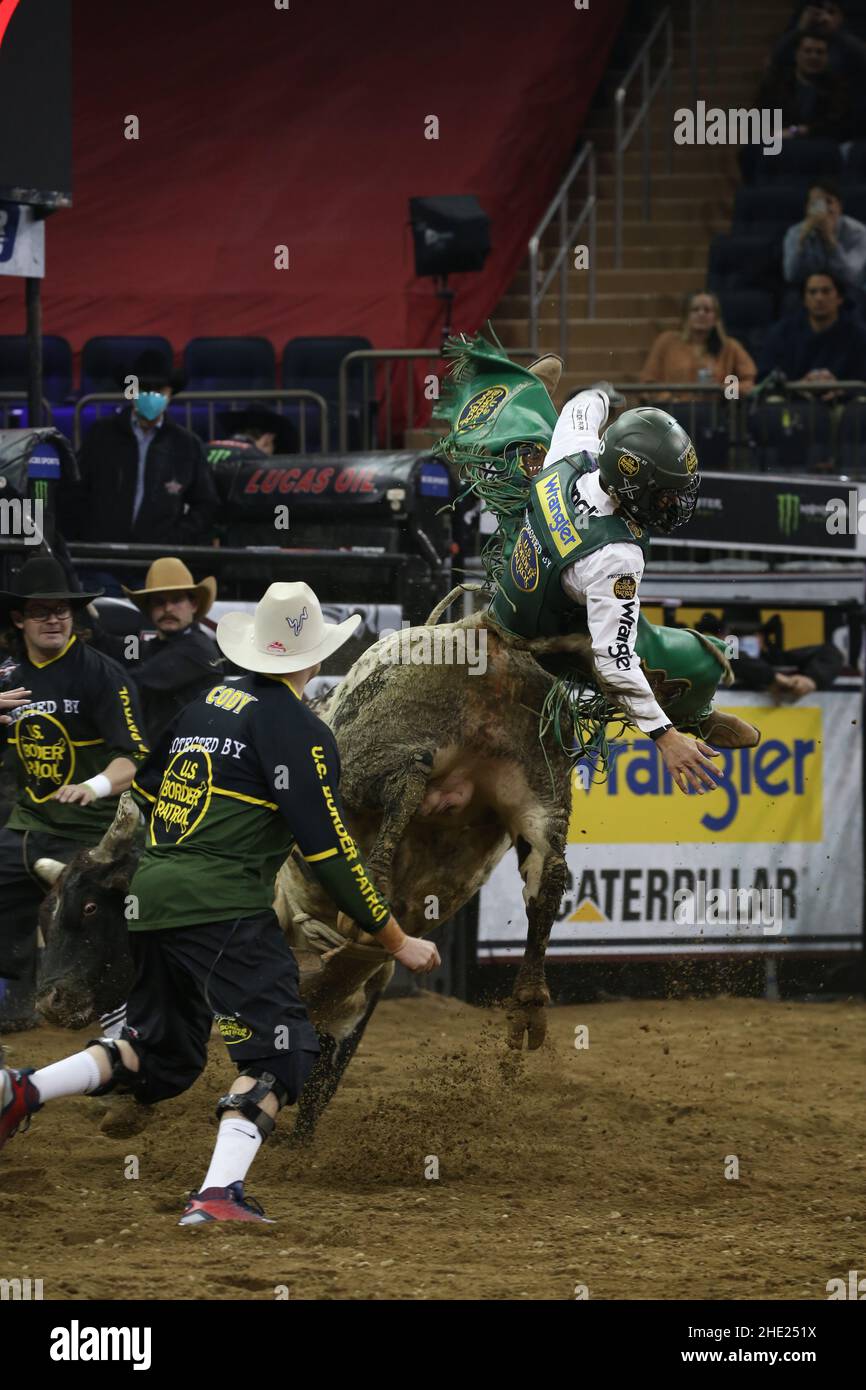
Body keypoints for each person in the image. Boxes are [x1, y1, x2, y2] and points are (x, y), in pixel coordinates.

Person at [0, 581, 440, 1224]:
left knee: (162, 1052)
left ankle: (25, 1089)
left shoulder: (210, 701)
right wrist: (396, 938)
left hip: (150, 899)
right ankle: (216, 1194)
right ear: (312, 659)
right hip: (223, 907)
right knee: (279, 1052)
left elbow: (146, 789)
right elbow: (330, 851)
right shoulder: (301, 729)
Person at [432, 335, 760, 793]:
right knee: (685, 656)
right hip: (548, 638)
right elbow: (614, 660)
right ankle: (697, 716)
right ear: (635, 489)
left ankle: (523, 392)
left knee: (523, 453)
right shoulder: (617, 559)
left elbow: (584, 405)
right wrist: (665, 737)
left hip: (516, 569)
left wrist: (604, 395)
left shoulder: (573, 454)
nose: (675, 502)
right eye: (666, 493)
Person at [0, 557, 149, 1029]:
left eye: (62, 610)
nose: (54, 619)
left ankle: (120, 1030)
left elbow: (134, 758)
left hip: (92, 837)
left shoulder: (100, 675)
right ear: (19, 618)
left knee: (98, 926)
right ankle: (12, 1006)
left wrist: (92, 786)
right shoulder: (5, 676)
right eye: (42, 610)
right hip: (27, 827)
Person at [59, 350, 218, 593]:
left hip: (158, 564)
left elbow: (206, 504)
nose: (150, 397)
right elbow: (75, 491)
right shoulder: (101, 435)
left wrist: (175, 538)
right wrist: (88, 537)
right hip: (102, 561)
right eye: (143, 389)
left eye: (159, 390)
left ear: (170, 394)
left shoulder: (186, 444)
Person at [90, 557, 224, 742]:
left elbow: (136, 680)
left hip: (185, 761)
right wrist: (89, 624)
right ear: (150, 609)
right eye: (159, 602)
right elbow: (114, 647)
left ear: (193, 605)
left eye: (176, 600)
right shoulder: (156, 646)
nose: (168, 608)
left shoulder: (197, 650)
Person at [756, 270, 866, 386]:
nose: (819, 298)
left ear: (839, 298)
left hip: (846, 402)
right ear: (804, 300)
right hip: (794, 402)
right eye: (813, 292)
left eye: (826, 291)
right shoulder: (782, 333)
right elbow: (764, 380)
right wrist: (800, 387)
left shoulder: (858, 334)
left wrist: (842, 391)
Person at [639, 291, 757, 399]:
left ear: (716, 317)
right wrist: (669, 400)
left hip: (715, 414)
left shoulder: (730, 346)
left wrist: (723, 390)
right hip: (673, 414)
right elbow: (649, 382)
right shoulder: (666, 341)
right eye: (695, 309)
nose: (701, 314)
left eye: (707, 310)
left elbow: (748, 382)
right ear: (686, 315)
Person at [757, 27, 855, 141]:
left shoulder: (837, 88)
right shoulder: (777, 86)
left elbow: (840, 127)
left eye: (820, 52)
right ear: (797, 55)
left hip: (822, 147)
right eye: (808, 51)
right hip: (781, 147)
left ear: (827, 57)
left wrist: (798, 131)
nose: (814, 56)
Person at [782, 180, 866, 294]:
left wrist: (830, 240)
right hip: (809, 290)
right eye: (816, 204)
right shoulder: (796, 232)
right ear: (807, 209)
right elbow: (791, 276)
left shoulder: (858, 232)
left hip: (846, 290)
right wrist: (801, 241)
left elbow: (853, 278)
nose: (823, 209)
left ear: (840, 207)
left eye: (829, 202)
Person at [772, 3, 866, 79]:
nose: (823, 17)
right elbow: (776, 58)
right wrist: (799, 30)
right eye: (818, 12)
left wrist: (836, 32)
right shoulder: (801, 35)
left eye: (830, 12)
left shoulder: (847, 40)